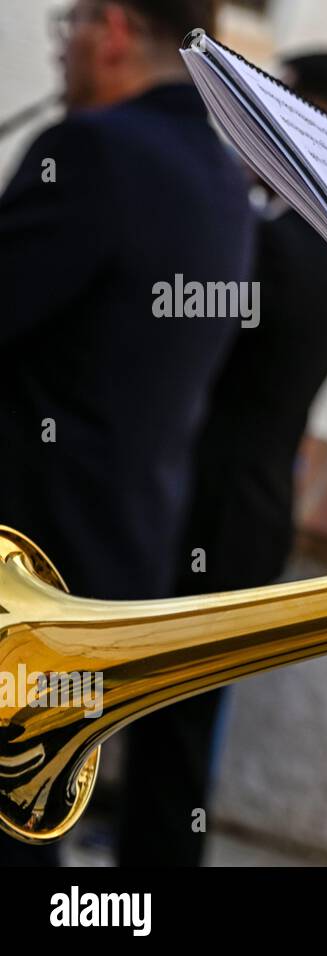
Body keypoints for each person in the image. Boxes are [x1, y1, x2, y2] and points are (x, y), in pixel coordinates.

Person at [115, 52, 327, 866]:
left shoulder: (276, 243)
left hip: (210, 511)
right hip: (243, 511)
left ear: (321, 124)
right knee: (175, 734)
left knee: (168, 743)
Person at [0, 0, 253, 866]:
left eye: (68, 26)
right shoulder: (221, 177)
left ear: (110, 28)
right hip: (114, 555)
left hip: (22, 553)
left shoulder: (93, 150)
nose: (62, 51)